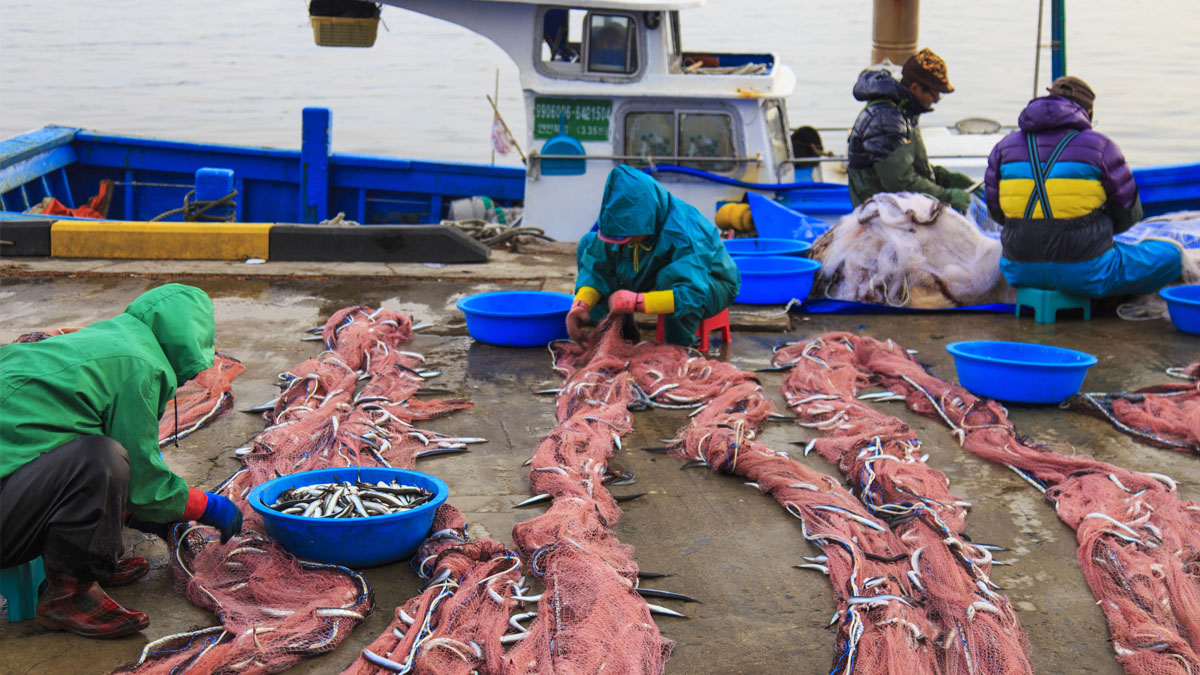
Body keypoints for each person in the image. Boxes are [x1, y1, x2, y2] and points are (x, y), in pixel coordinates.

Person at [0, 283, 244, 638]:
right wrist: (206, 507)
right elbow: (146, 485)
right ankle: (70, 593)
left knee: (100, 452)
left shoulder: (110, 336)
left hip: (13, 481)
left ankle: (89, 562)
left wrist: (130, 514)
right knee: (100, 457)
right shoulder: (141, 365)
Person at [984, 76, 1183, 297]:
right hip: (1085, 273)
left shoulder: (1003, 148)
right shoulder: (1102, 147)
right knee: (1172, 256)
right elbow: (1128, 214)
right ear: (1087, 113)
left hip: (1019, 271)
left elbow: (997, 213)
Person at [567, 165, 741, 347]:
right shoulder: (624, 224)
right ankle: (616, 329)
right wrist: (581, 305)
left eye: (628, 235)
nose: (623, 241)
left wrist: (638, 302)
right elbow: (597, 267)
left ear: (645, 221)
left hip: (710, 284)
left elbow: (690, 294)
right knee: (589, 243)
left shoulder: (684, 233)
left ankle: (678, 347)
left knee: (669, 277)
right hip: (653, 271)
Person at [847, 48, 975, 213]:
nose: (935, 101)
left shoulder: (906, 111)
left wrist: (943, 178)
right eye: (935, 95)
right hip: (879, 212)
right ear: (915, 87)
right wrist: (946, 195)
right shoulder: (887, 118)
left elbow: (910, 167)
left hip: (897, 204)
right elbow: (899, 182)